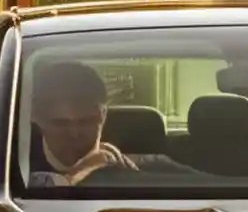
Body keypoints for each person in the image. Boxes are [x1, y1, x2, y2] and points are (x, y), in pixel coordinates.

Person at [29, 60, 194, 185]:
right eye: (61, 124)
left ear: (103, 115)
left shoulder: (152, 167)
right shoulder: (11, 169)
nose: (75, 134)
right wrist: (79, 174)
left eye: (87, 122)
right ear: (36, 117)